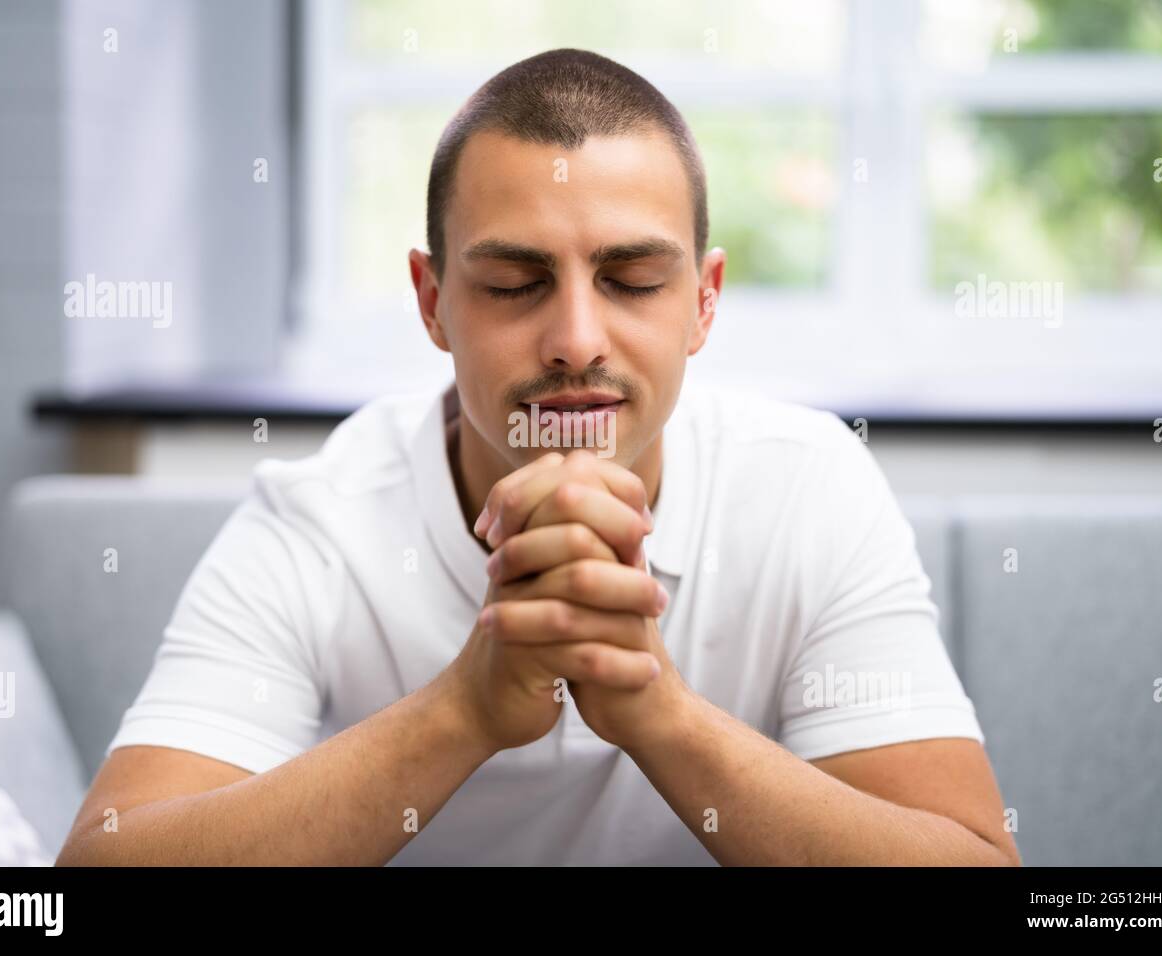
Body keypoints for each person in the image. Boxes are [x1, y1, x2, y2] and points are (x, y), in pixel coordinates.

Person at [57, 48, 1019, 866]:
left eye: (632, 280)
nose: (575, 341)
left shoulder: (808, 487)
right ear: (432, 303)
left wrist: (658, 712)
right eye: (516, 284)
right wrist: (466, 710)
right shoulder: (321, 520)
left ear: (704, 301)